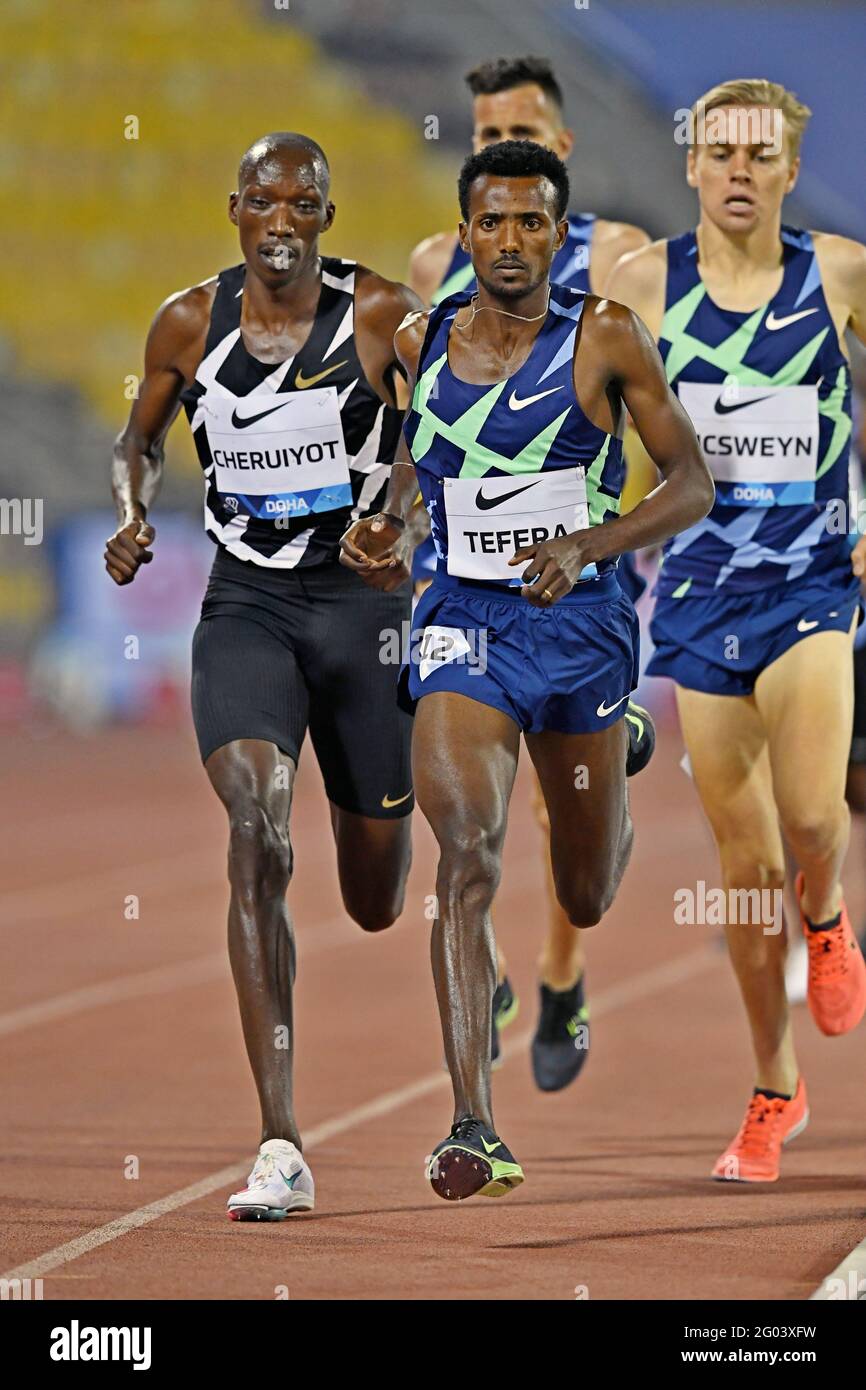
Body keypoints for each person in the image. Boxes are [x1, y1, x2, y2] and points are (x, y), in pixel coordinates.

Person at [341, 140, 712, 1199]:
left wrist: (586, 546)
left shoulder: (604, 336)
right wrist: (387, 524)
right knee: (464, 854)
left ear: (559, 233)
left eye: (531, 223)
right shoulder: (420, 339)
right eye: (490, 223)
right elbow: (423, 459)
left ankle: (616, 747)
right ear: (463, 235)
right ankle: (471, 1125)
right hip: (461, 618)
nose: (509, 241)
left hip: (581, 625)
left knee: (584, 891)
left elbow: (689, 484)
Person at [105, 132, 423, 1220]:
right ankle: (280, 1140)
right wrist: (135, 510)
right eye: (263, 201)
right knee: (255, 829)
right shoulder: (187, 323)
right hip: (245, 607)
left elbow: (447, 430)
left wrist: (399, 514)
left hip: (361, 610)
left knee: (375, 896)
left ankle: (392, 837)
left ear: (326, 217)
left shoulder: (380, 316)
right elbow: (135, 437)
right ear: (232, 207)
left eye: (303, 203)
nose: (281, 220)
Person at [606, 78, 866, 1183]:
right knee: (744, 864)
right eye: (719, 152)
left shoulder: (840, 272)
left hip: (809, 581)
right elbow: (603, 429)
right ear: (690, 163)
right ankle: (772, 1088)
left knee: (811, 812)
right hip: (700, 595)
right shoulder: (639, 284)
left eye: (758, 155)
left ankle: (830, 908)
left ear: (788, 169)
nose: (738, 171)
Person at [408, 54, 652, 1090]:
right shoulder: (431, 269)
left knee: (570, 831)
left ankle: (561, 970)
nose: (493, 145)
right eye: (475, 134)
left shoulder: (623, 262)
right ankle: (491, 1000)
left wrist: (598, 529)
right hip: (461, 577)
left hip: (582, 554)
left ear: (558, 148)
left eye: (515, 129)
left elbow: (657, 399)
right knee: (460, 816)